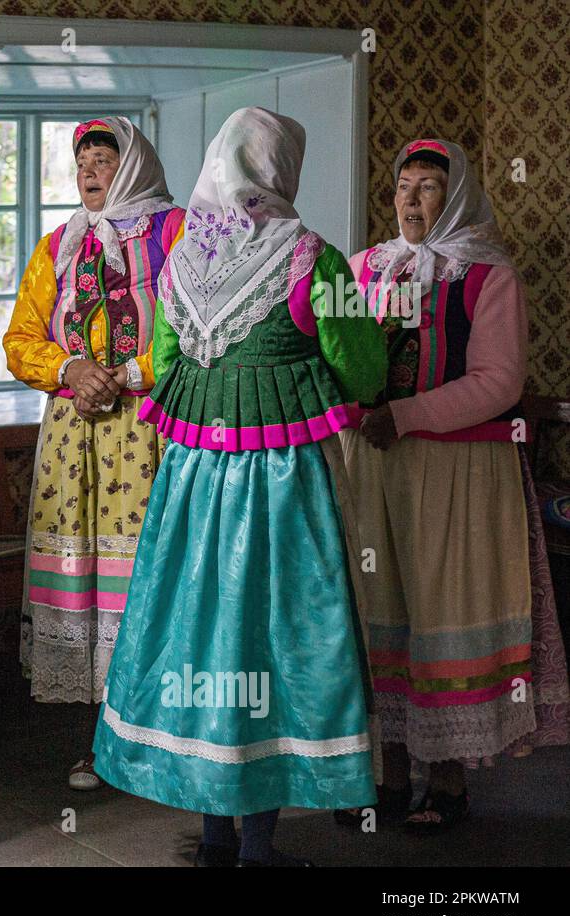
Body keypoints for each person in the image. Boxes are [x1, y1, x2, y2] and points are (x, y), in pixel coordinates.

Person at [91, 108, 385, 866]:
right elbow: (365, 369)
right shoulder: (313, 259)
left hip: (194, 481)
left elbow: (160, 359)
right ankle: (259, 839)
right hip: (283, 483)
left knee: (203, 634)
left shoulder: (186, 253)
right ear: (281, 170)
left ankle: (216, 834)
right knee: (278, 633)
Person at [337, 138, 569, 833]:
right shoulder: (362, 268)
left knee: (443, 610)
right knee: (380, 608)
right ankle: (387, 774)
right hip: (373, 468)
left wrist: (404, 416)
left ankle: (447, 780)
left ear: (456, 195)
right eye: (403, 185)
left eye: (428, 186)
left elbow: (500, 381)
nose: (411, 199)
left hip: (458, 470)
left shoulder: (486, 275)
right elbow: (335, 351)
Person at [3, 117, 184, 791]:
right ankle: (94, 744)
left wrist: (131, 373)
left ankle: (158, 737)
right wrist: (70, 367)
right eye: (82, 160)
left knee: (145, 579)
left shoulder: (175, 232)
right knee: (83, 584)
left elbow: (192, 323)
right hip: (74, 435)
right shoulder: (59, 245)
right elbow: (20, 338)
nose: (90, 171)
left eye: (104, 159)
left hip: (147, 427)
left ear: (132, 166)